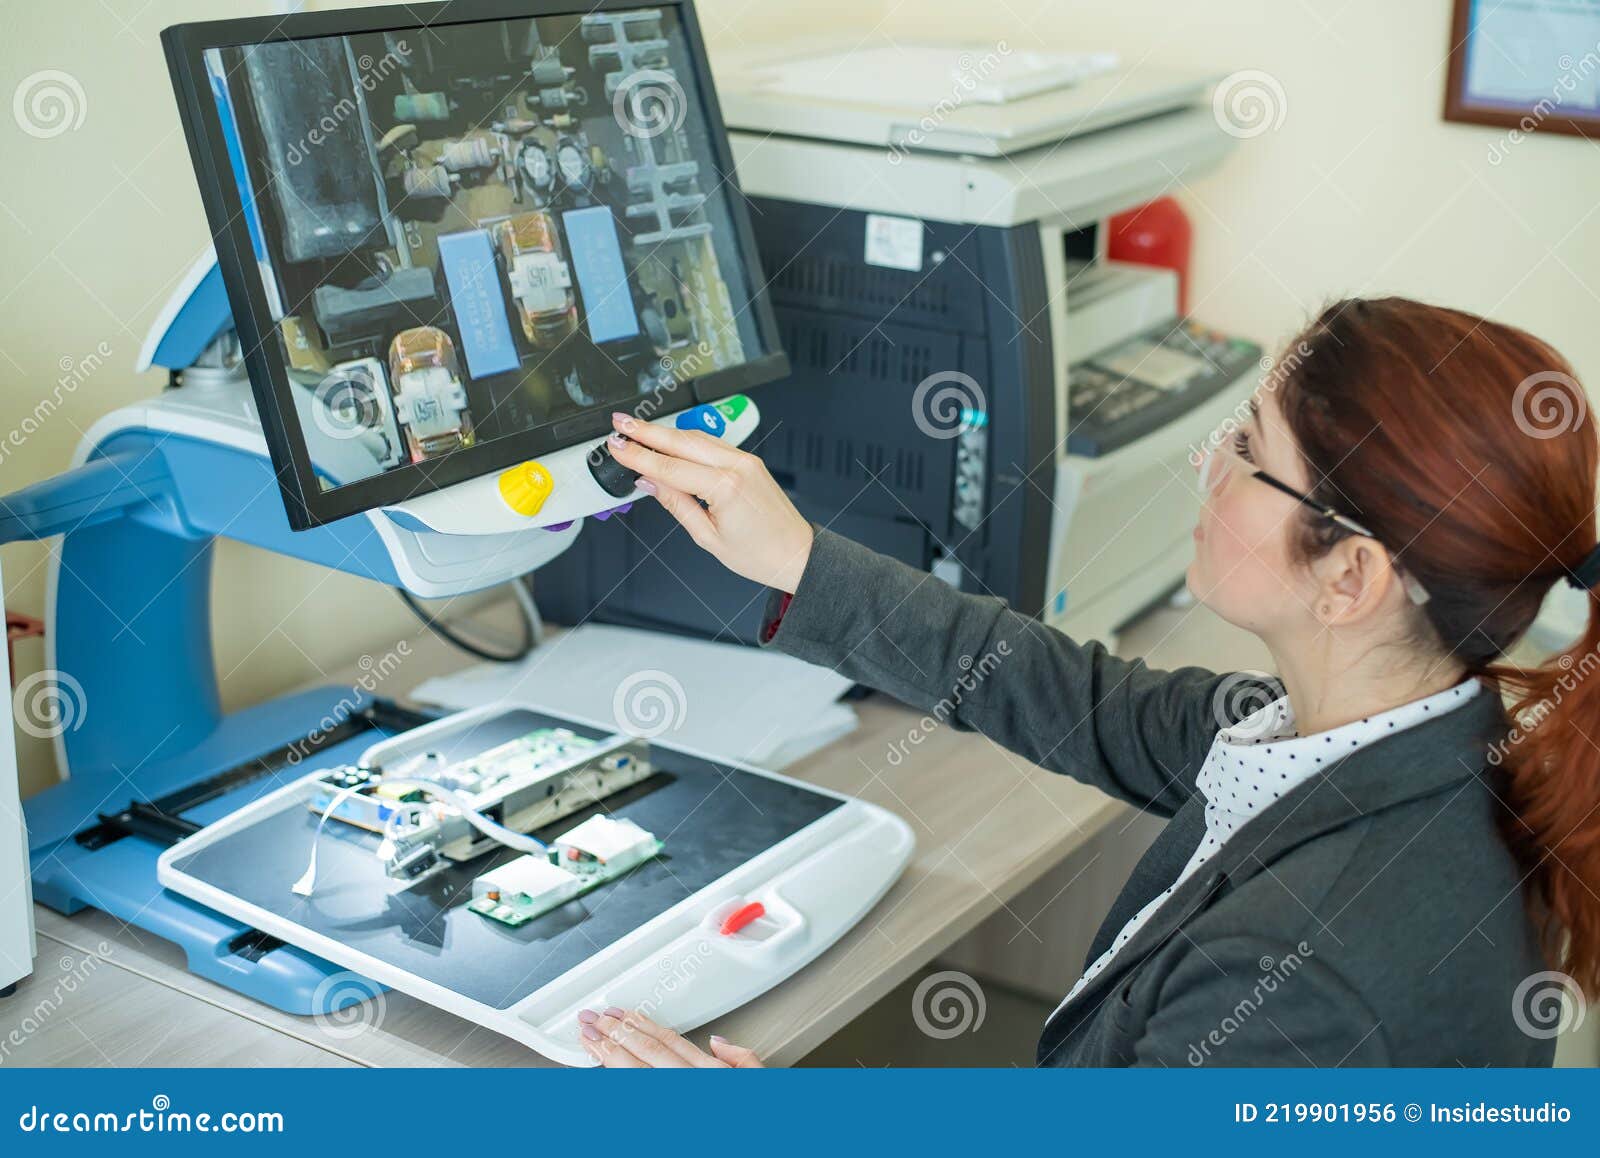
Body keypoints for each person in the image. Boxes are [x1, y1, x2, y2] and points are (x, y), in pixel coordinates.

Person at [574, 297, 1600, 1067]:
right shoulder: (1410, 740)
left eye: (1247, 449)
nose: (1208, 466)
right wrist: (797, 557)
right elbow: (1072, 695)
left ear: (1349, 576)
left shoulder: (1298, 978)